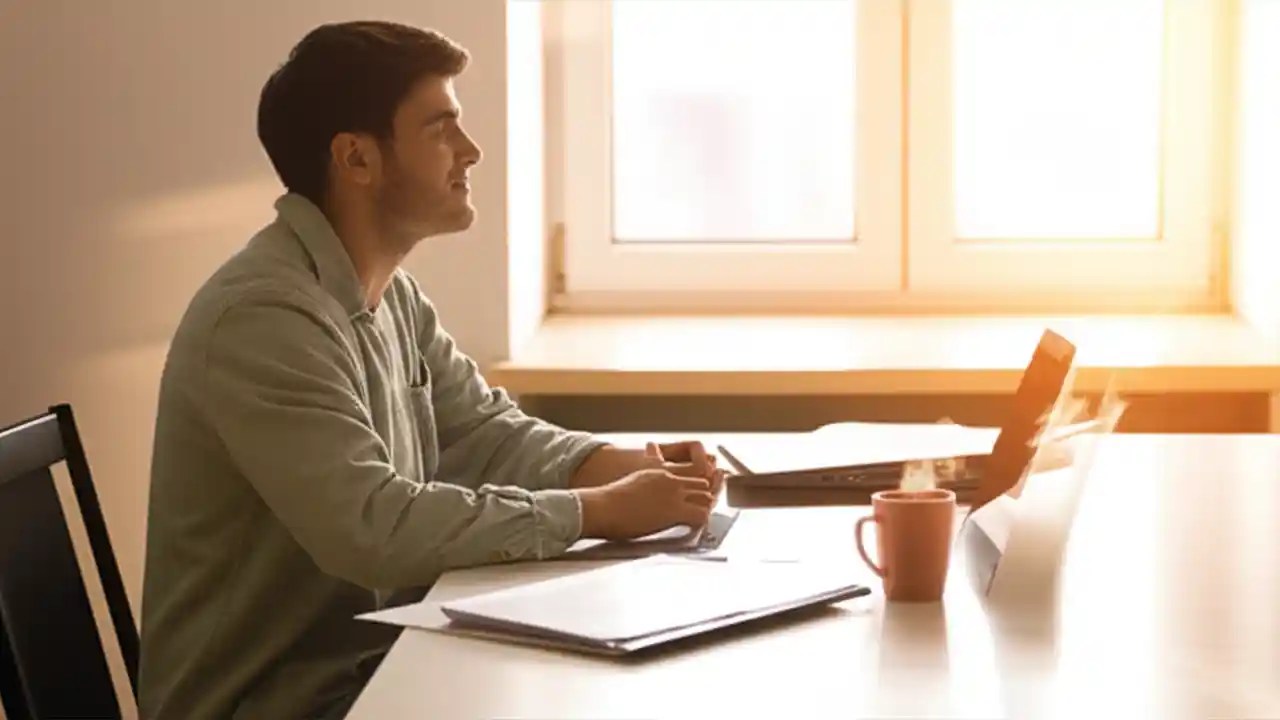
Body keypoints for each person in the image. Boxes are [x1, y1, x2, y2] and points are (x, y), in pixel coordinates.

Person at [138, 20, 721, 719]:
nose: (471, 152)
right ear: (356, 158)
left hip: (369, 672)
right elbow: (372, 528)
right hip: (275, 704)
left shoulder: (390, 294)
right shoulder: (264, 319)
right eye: (442, 128)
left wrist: (621, 466)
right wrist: (597, 512)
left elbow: (484, 433)